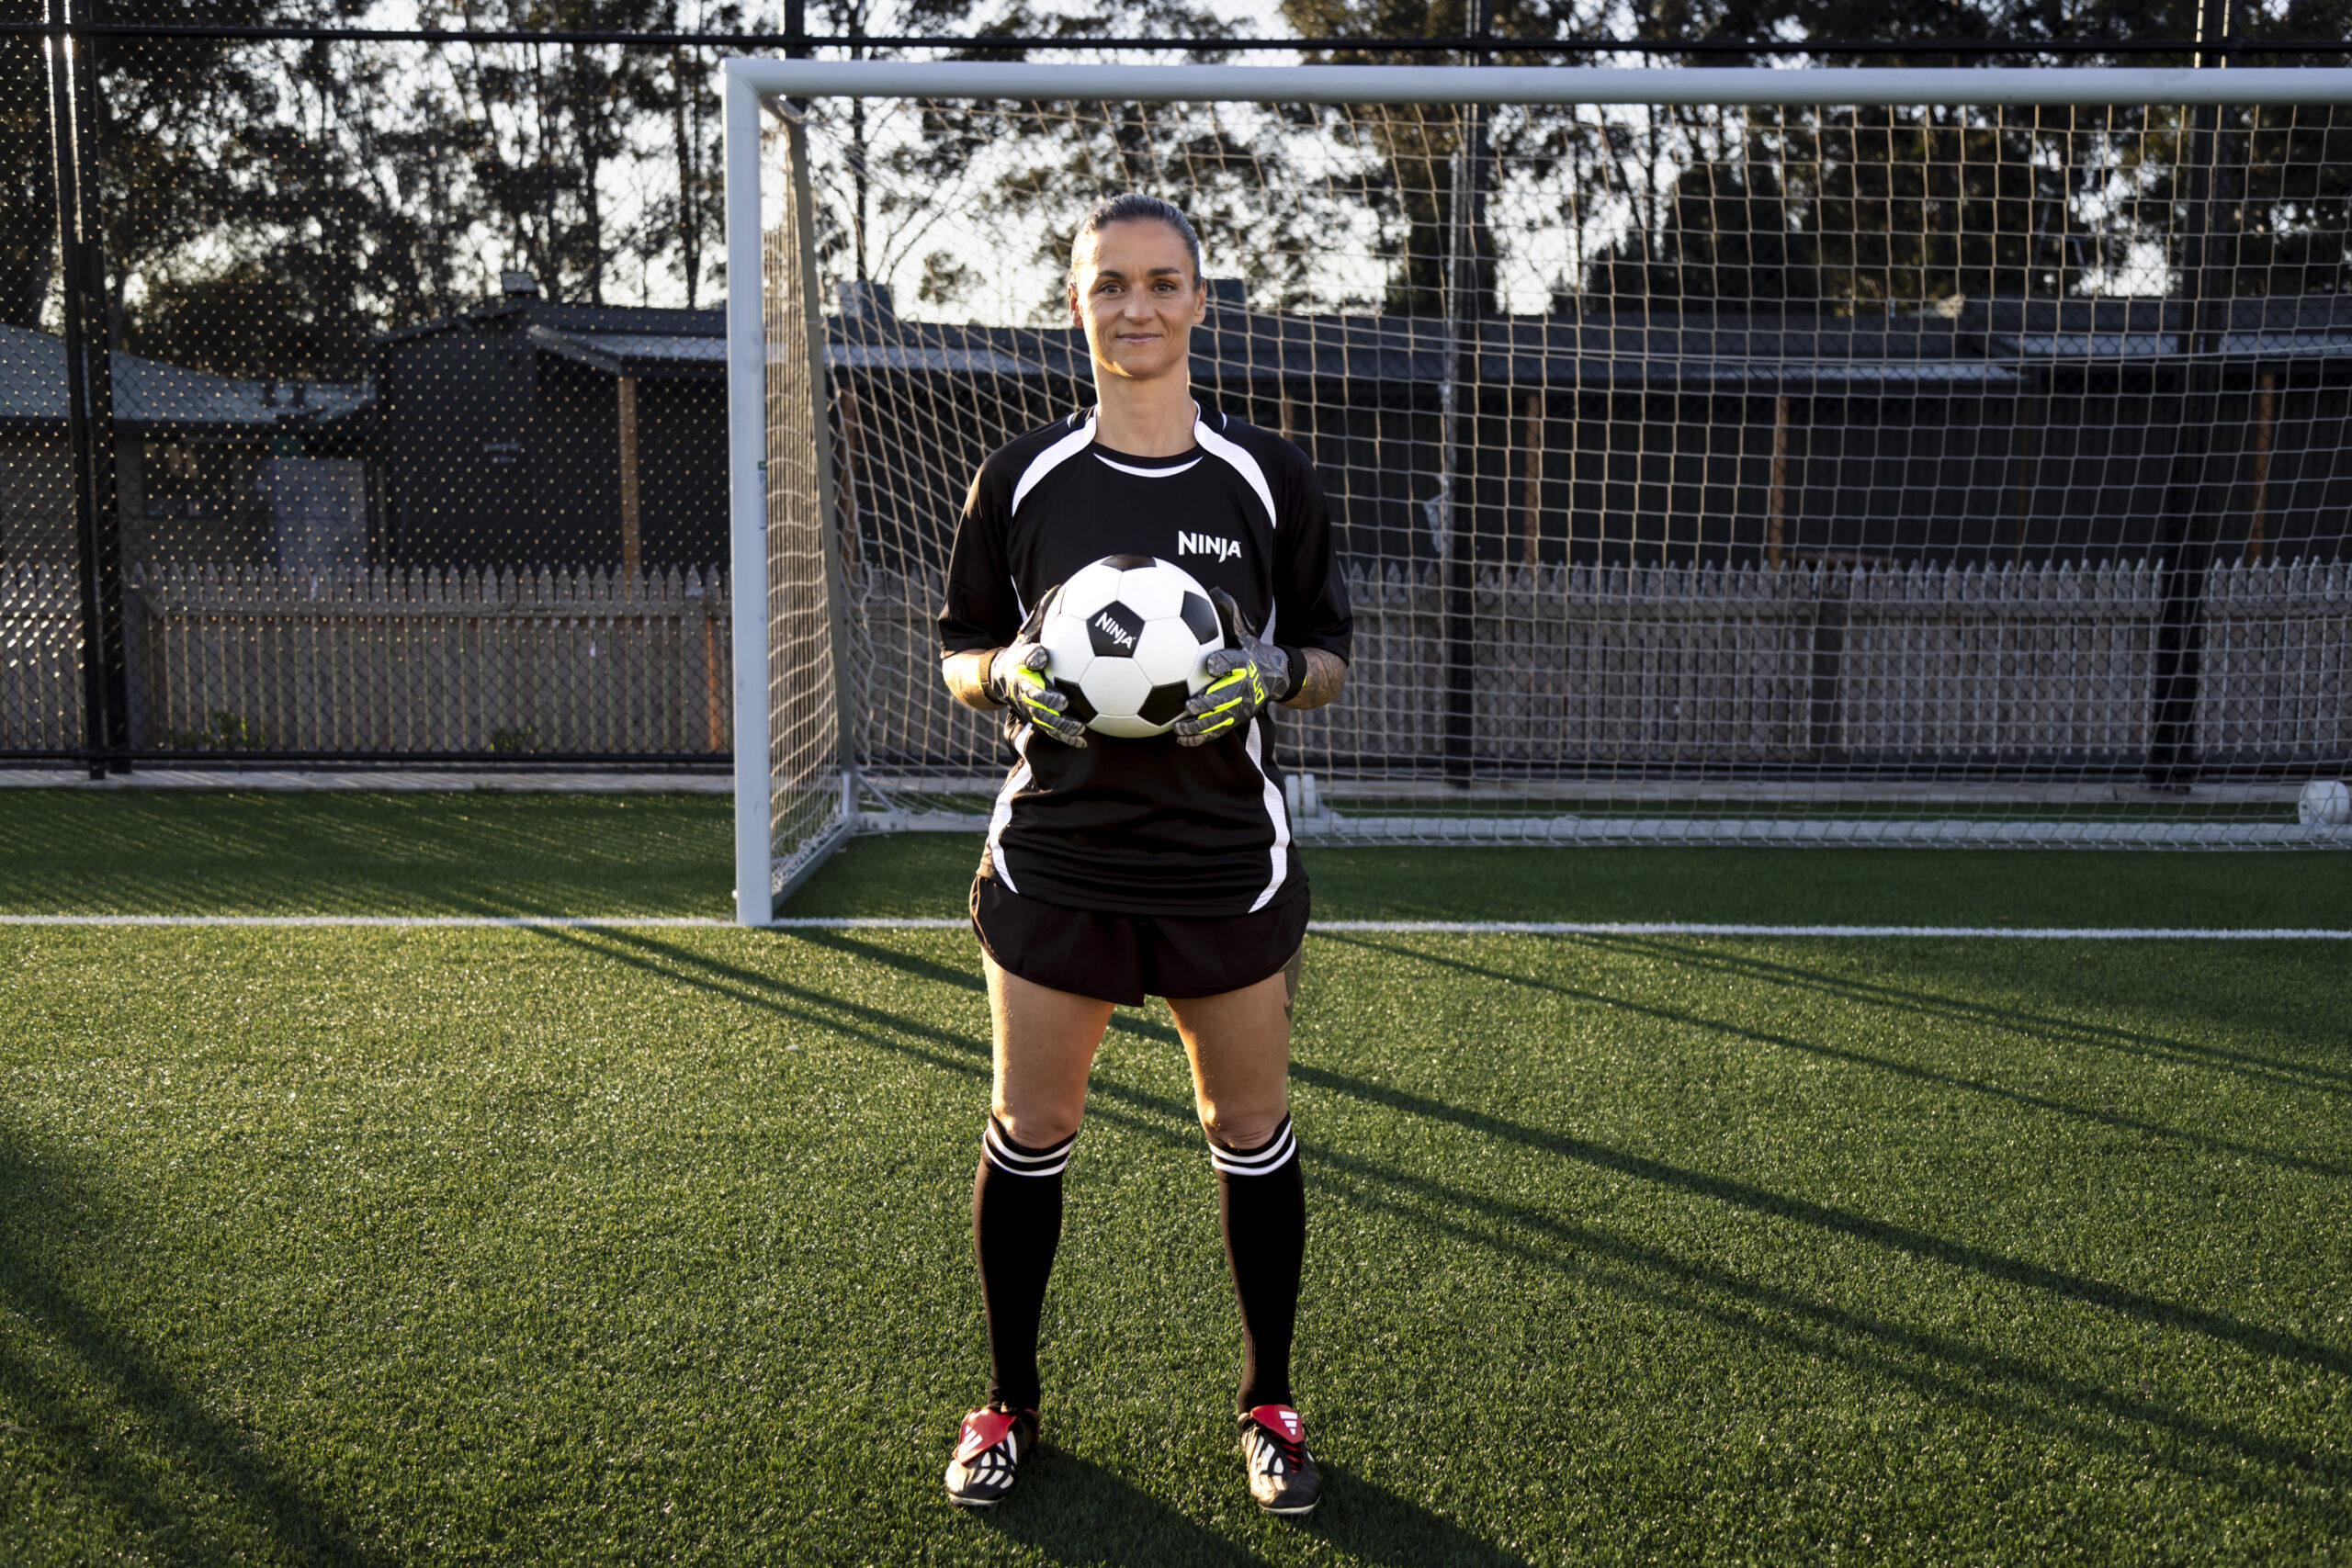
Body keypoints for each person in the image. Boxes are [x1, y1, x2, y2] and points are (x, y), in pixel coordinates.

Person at [933, 193, 1353, 1516]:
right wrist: (1002, 671)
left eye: (1162, 281)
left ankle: (1269, 1402)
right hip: (1059, 856)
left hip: (1223, 857)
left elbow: (1334, 656)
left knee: (1247, 1126)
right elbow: (953, 650)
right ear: (1077, 303)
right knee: (1033, 1124)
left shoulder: (1267, 475)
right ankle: (1005, 1404)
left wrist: (1274, 672)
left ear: (1201, 300)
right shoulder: (1022, 477)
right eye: (1110, 284)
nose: (1138, 306)